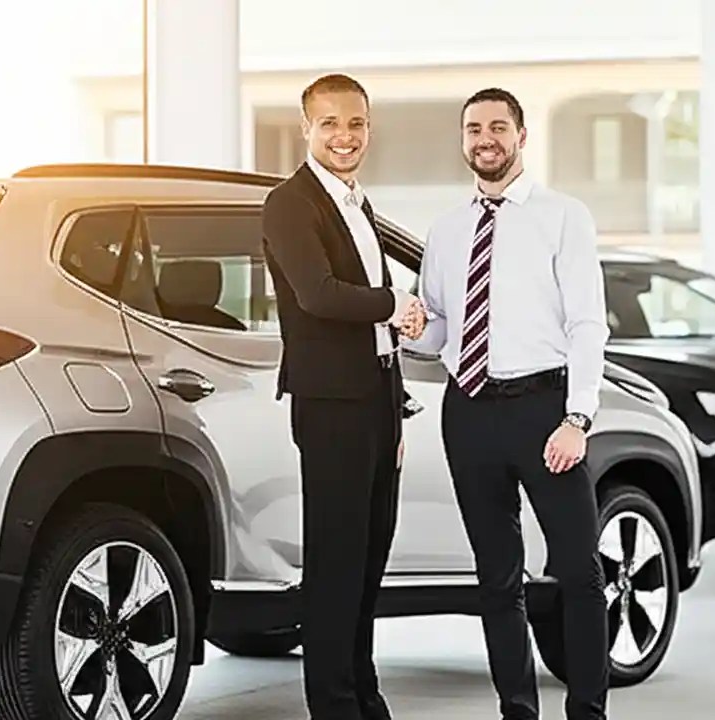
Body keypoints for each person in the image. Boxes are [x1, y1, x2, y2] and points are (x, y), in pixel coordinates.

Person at [402, 87, 611, 720]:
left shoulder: (563, 216)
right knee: (496, 577)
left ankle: (587, 709)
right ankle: (516, 709)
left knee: (578, 571)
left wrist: (578, 417)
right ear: (463, 141)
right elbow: (444, 327)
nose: (484, 138)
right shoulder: (445, 229)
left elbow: (587, 325)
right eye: (473, 129)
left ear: (522, 136)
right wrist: (412, 323)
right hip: (468, 413)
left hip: (544, 410)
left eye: (498, 126)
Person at [262, 73, 426, 720]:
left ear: (369, 128)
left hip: (377, 401)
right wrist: (396, 305)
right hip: (331, 406)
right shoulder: (290, 202)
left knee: (368, 563)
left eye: (355, 123)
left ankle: (363, 699)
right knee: (335, 567)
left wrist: (398, 403)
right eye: (329, 123)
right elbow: (318, 294)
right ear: (306, 128)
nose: (344, 135)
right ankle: (334, 705)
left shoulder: (358, 202)